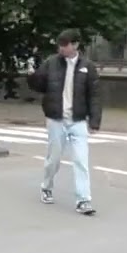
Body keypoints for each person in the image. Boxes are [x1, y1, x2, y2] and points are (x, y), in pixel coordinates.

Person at [28, 28, 102, 215]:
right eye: (60, 45)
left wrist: (94, 121)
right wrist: (31, 76)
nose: (61, 49)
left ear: (75, 45)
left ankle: (84, 200)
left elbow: (94, 96)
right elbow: (40, 86)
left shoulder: (88, 67)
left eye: (65, 45)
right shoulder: (51, 63)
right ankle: (46, 186)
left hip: (77, 120)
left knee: (81, 160)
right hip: (56, 119)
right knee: (53, 158)